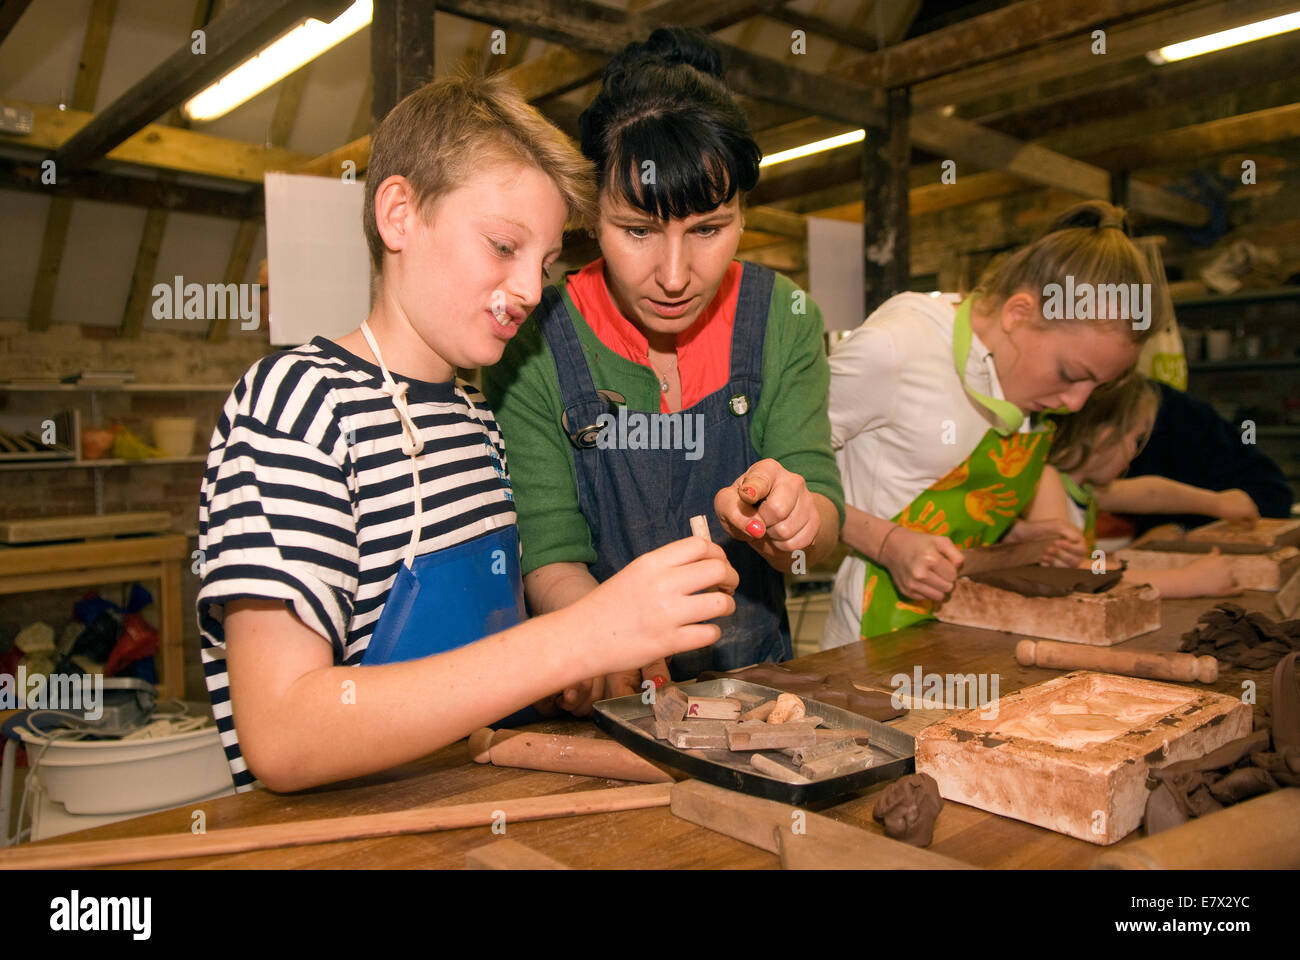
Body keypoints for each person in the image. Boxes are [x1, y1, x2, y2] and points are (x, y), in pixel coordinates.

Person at [196, 72, 738, 794]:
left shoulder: (476, 418)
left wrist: (564, 680)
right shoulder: (300, 405)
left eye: (545, 264)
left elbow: (472, 673)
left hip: (466, 812)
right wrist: (577, 637)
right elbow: (282, 732)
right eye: (503, 246)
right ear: (399, 215)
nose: (530, 290)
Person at [482, 28, 844, 713]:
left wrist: (795, 519)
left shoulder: (783, 317)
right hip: (601, 694)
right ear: (592, 214)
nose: (675, 277)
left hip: (760, 698)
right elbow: (550, 554)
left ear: (743, 215)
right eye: (638, 231)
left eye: (708, 229)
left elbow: (819, 518)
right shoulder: (537, 340)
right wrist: (611, 640)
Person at [823, 201, 1158, 649]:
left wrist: (1018, 537)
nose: (1075, 404)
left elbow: (940, 495)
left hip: (968, 628)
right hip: (869, 637)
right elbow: (782, 466)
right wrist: (888, 544)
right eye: (1070, 374)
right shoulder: (899, 345)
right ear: (1018, 313)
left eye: (1097, 387)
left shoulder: (1026, 380)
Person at [1038, 373, 1245, 598]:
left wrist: (1218, 503)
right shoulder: (1046, 483)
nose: (1135, 453)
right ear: (1106, 439)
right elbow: (1073, 573)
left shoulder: (1081, 487)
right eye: (1136, 440)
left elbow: (1152, 493)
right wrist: (1186, 581)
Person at [1123, 380, 1294, 534]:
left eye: (1139, 439)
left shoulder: (1176, 413)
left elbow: (1271, 495)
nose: (1131, 451)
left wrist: (1184, 531)